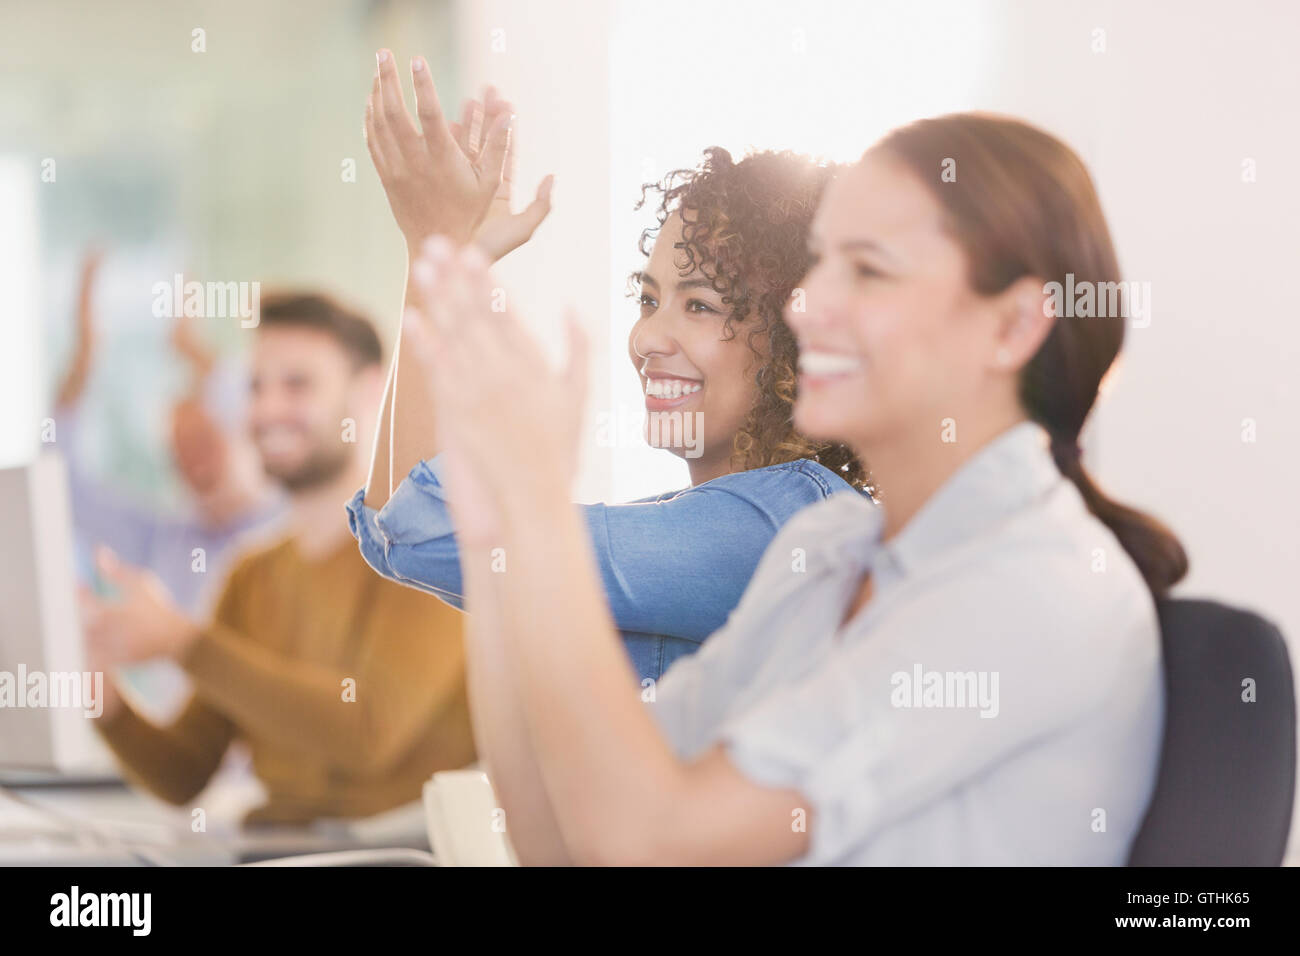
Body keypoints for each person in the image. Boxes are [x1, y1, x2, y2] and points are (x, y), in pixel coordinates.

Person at [400, 112, 1187, 865]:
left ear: (1013, 326)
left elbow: (644, 841)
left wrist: (536, 506)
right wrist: (492, 521)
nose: (806, 306)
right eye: (821, 263)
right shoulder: (828, 553)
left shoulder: (1026, 583)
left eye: (869, 270)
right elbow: (558, 840)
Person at [346, 50, 867, 684]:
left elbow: (422, 532)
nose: (648, 336)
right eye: (648, 299)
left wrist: (438, 251)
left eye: (700, 304)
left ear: (800, 338)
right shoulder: (698, 525)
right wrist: (444, 261)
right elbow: (391, 529)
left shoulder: (784, 526)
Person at [80, 294, 475, 825]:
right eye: (255, 387)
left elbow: (367, 731)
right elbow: (187, 771)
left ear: (369, 391)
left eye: (297, 384)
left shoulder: (428, 555)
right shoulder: (251, 575)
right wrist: (104, 701)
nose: (266, 411)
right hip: (269, 849)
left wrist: (182, 641)